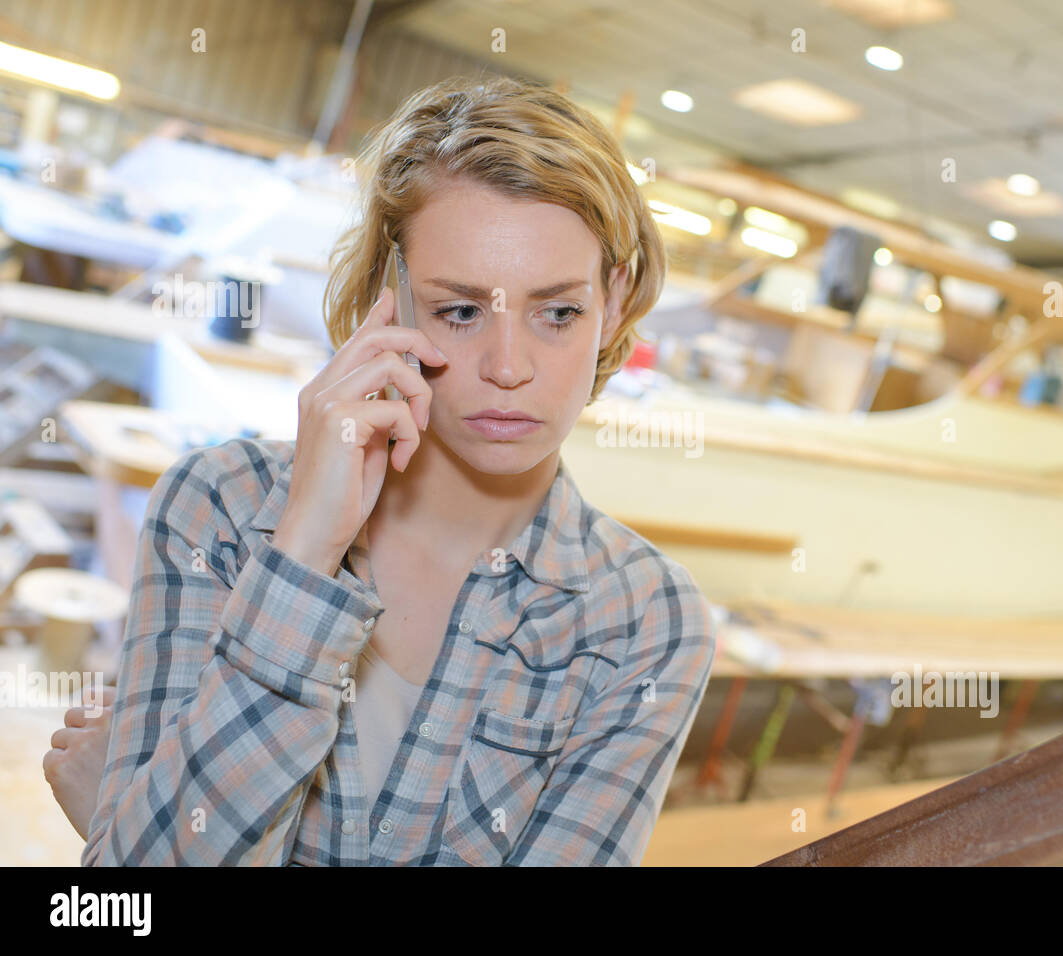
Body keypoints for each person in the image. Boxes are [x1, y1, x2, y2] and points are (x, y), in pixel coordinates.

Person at [44, 75, 716, 866]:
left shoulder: (646, 623)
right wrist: (301, 554)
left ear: (616, 300)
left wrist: (124, 820)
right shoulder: (220, 510)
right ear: (386, 296)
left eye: (557, 313)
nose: (508, 367)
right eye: (460, 310)